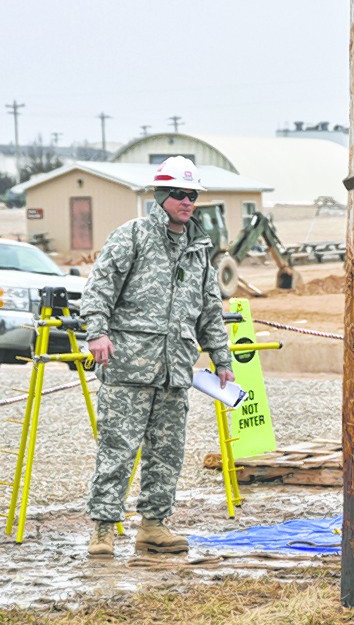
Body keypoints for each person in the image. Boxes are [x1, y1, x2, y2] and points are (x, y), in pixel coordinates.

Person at [82, 156, 234, 557]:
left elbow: (209, 309)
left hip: (174, 372)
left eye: (192, 195)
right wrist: (96, 332)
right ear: (162, 196)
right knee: (118, 449)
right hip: (130, 366)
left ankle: (153, 525)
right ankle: (103, 529)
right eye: (180, 194)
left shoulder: (198, 251)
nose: (188, 201)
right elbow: (99, 288)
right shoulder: (130, 237)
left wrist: (222, 358)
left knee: (166, 453)